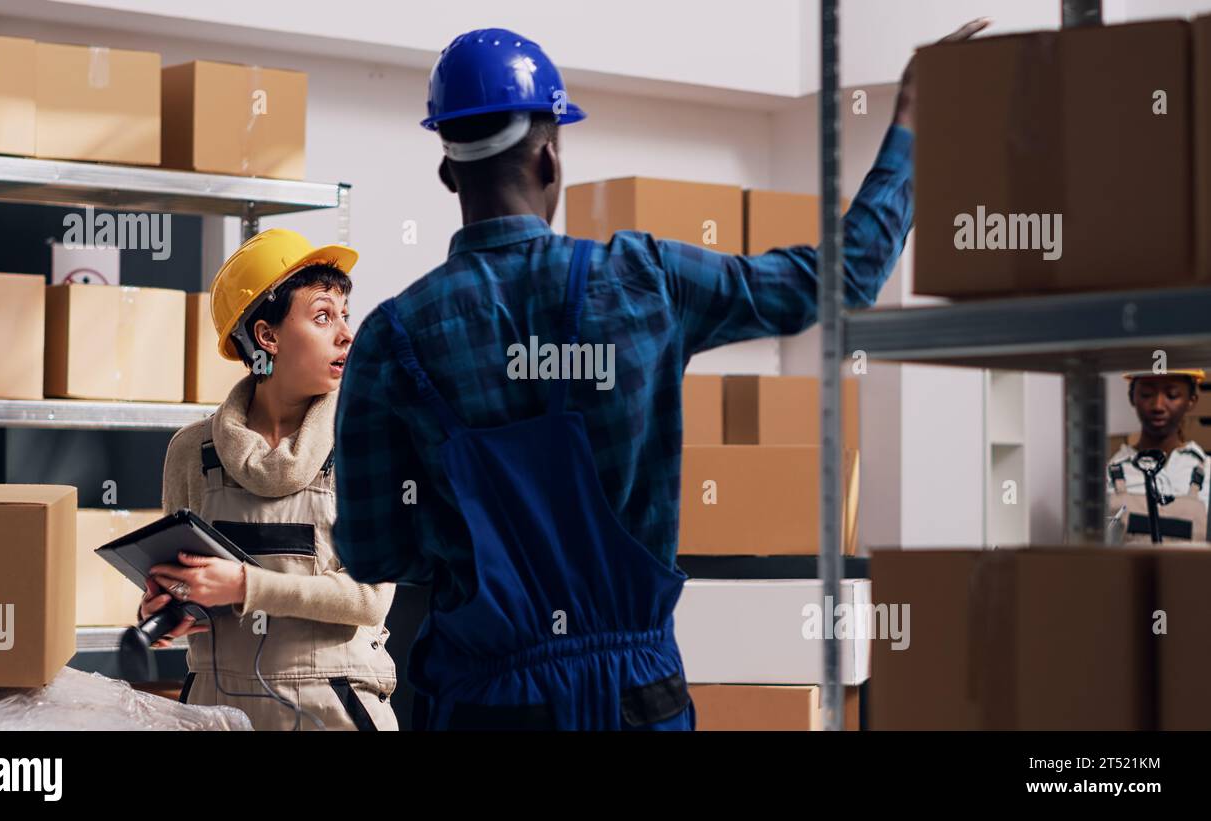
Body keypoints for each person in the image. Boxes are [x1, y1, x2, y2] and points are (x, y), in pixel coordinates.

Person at [333, 21, 989, 731]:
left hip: (487, 703)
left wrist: (475, 547)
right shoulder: (644, 280)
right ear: (550, 157)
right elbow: (847, 273)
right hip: (636, 696)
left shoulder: (391, 338)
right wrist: (912, 123)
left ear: (447, 170)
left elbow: (373, 552)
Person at [142, 228, 399, 730]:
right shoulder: (192, 451)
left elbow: (369, 599)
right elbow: (185, 577)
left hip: (336, 711)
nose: (346, 334)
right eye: (323, 316)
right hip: (218, 711)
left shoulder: (370, 442)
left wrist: (244, 585)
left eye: (345, 314)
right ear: (268, 337)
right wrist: (172, 605)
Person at [1106, 369, 1210, 543]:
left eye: (1172, 395)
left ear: (1191, 400)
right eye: (1147, 394)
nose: (1158, 406)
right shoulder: (1107, 476)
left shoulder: (1208, 473)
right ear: (1132, 397)